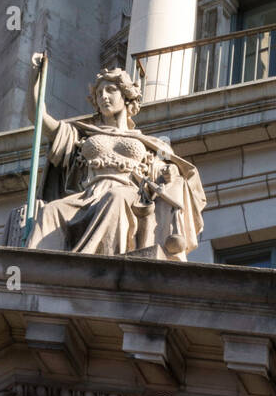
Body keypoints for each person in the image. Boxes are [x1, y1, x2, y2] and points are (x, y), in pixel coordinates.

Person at [25, 55, 205, 258]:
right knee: (52, 211)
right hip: (89, 195)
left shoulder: (149, 143)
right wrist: (35, 77)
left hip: (130, 194)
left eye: (111, 90)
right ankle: (39, 274)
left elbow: (167, 171)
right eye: (99, 93)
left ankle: (99, 267)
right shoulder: (80, 135)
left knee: (115, 197)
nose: (104, 96)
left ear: (126, 96)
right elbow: (37, 116)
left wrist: (169, 172)